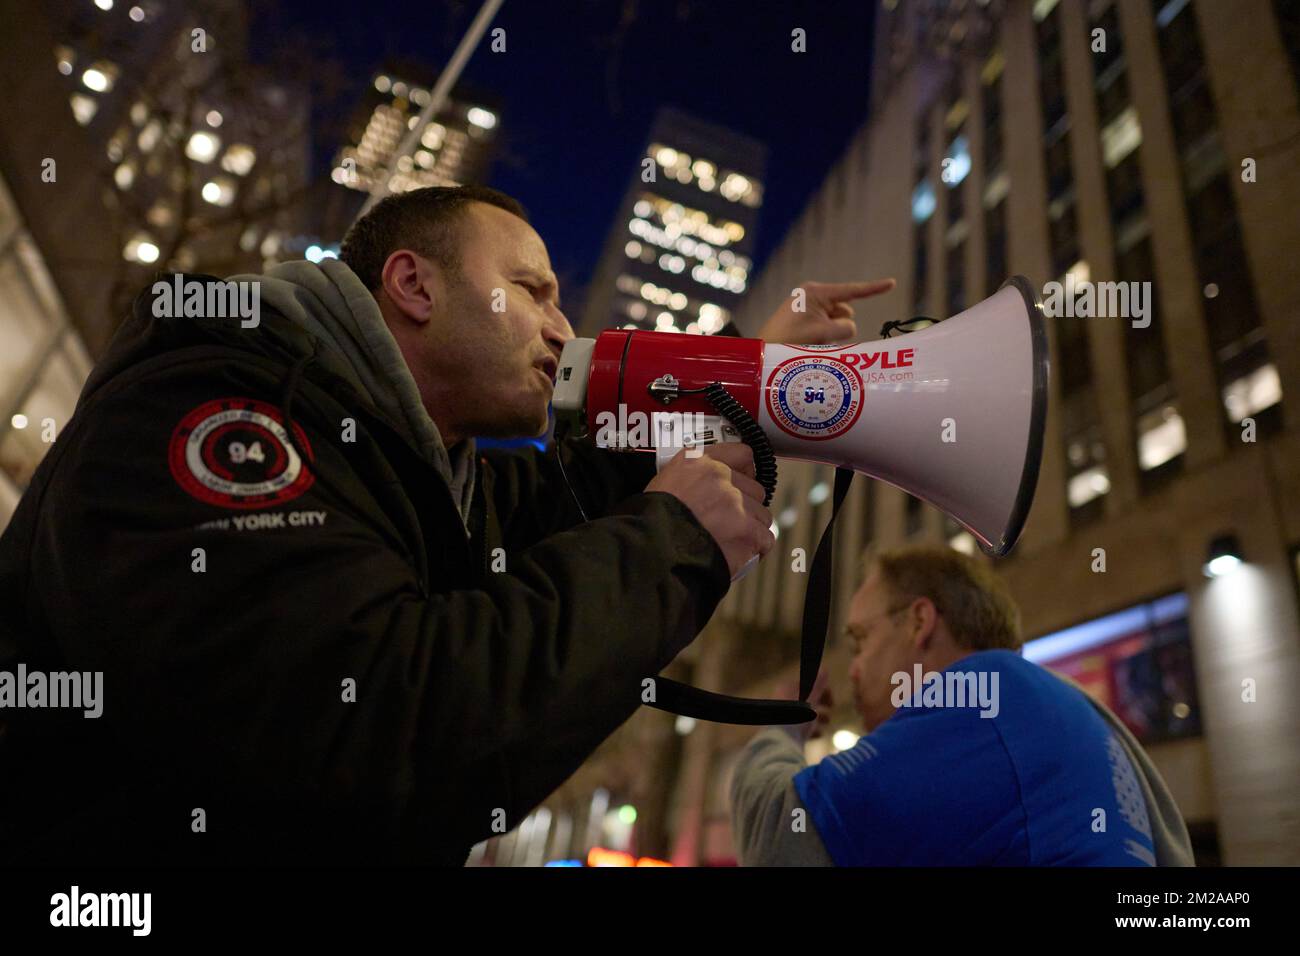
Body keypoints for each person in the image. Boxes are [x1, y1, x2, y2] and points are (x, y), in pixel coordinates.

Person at [0, 183, 894, 865]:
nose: (561, 327)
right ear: (412, 285)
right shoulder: (216, 412)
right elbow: (381, 730)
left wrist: (748, 367)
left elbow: (570, 496)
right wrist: (676, 543)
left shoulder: (412, 470)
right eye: (530, 291)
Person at [730, 546, 1194, 866]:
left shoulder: (982, 699)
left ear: (919, 621)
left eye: (860, 640)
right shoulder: (1072, 714)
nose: (854, 670)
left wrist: (784, 722)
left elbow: (777, 832)